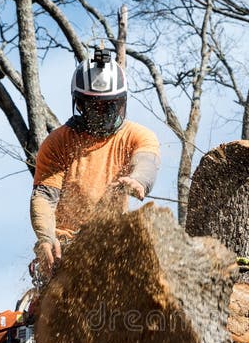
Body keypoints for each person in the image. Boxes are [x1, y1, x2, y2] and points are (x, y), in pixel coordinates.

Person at [30, 46, 160, 279]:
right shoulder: (59, 142)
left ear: (120, 102)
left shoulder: (136, 136)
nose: (101, 113)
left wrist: (138, 180)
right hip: (65, 245)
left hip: (112, 242)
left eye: (108, 106)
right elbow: (44, 197)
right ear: (80, 104)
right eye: (94, 106)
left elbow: (147, 161)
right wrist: (46, 239)